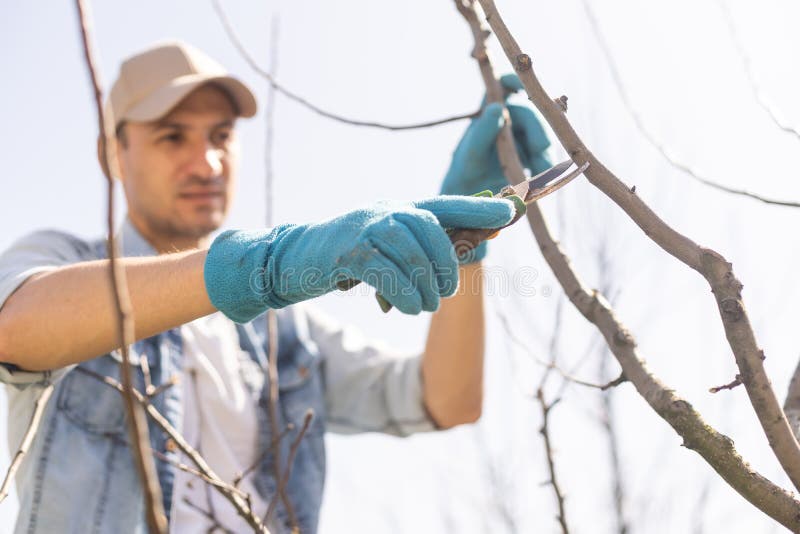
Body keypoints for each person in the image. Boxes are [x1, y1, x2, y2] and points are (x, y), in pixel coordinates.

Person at [0, 41, 552, 533]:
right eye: (172, 137)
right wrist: (264, 265)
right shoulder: (65, 262)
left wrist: (468, 243)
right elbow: (14, 328)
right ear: (113, 155)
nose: (208, 161)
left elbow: (445, 399)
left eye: (221, 136)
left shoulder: (285, 335)